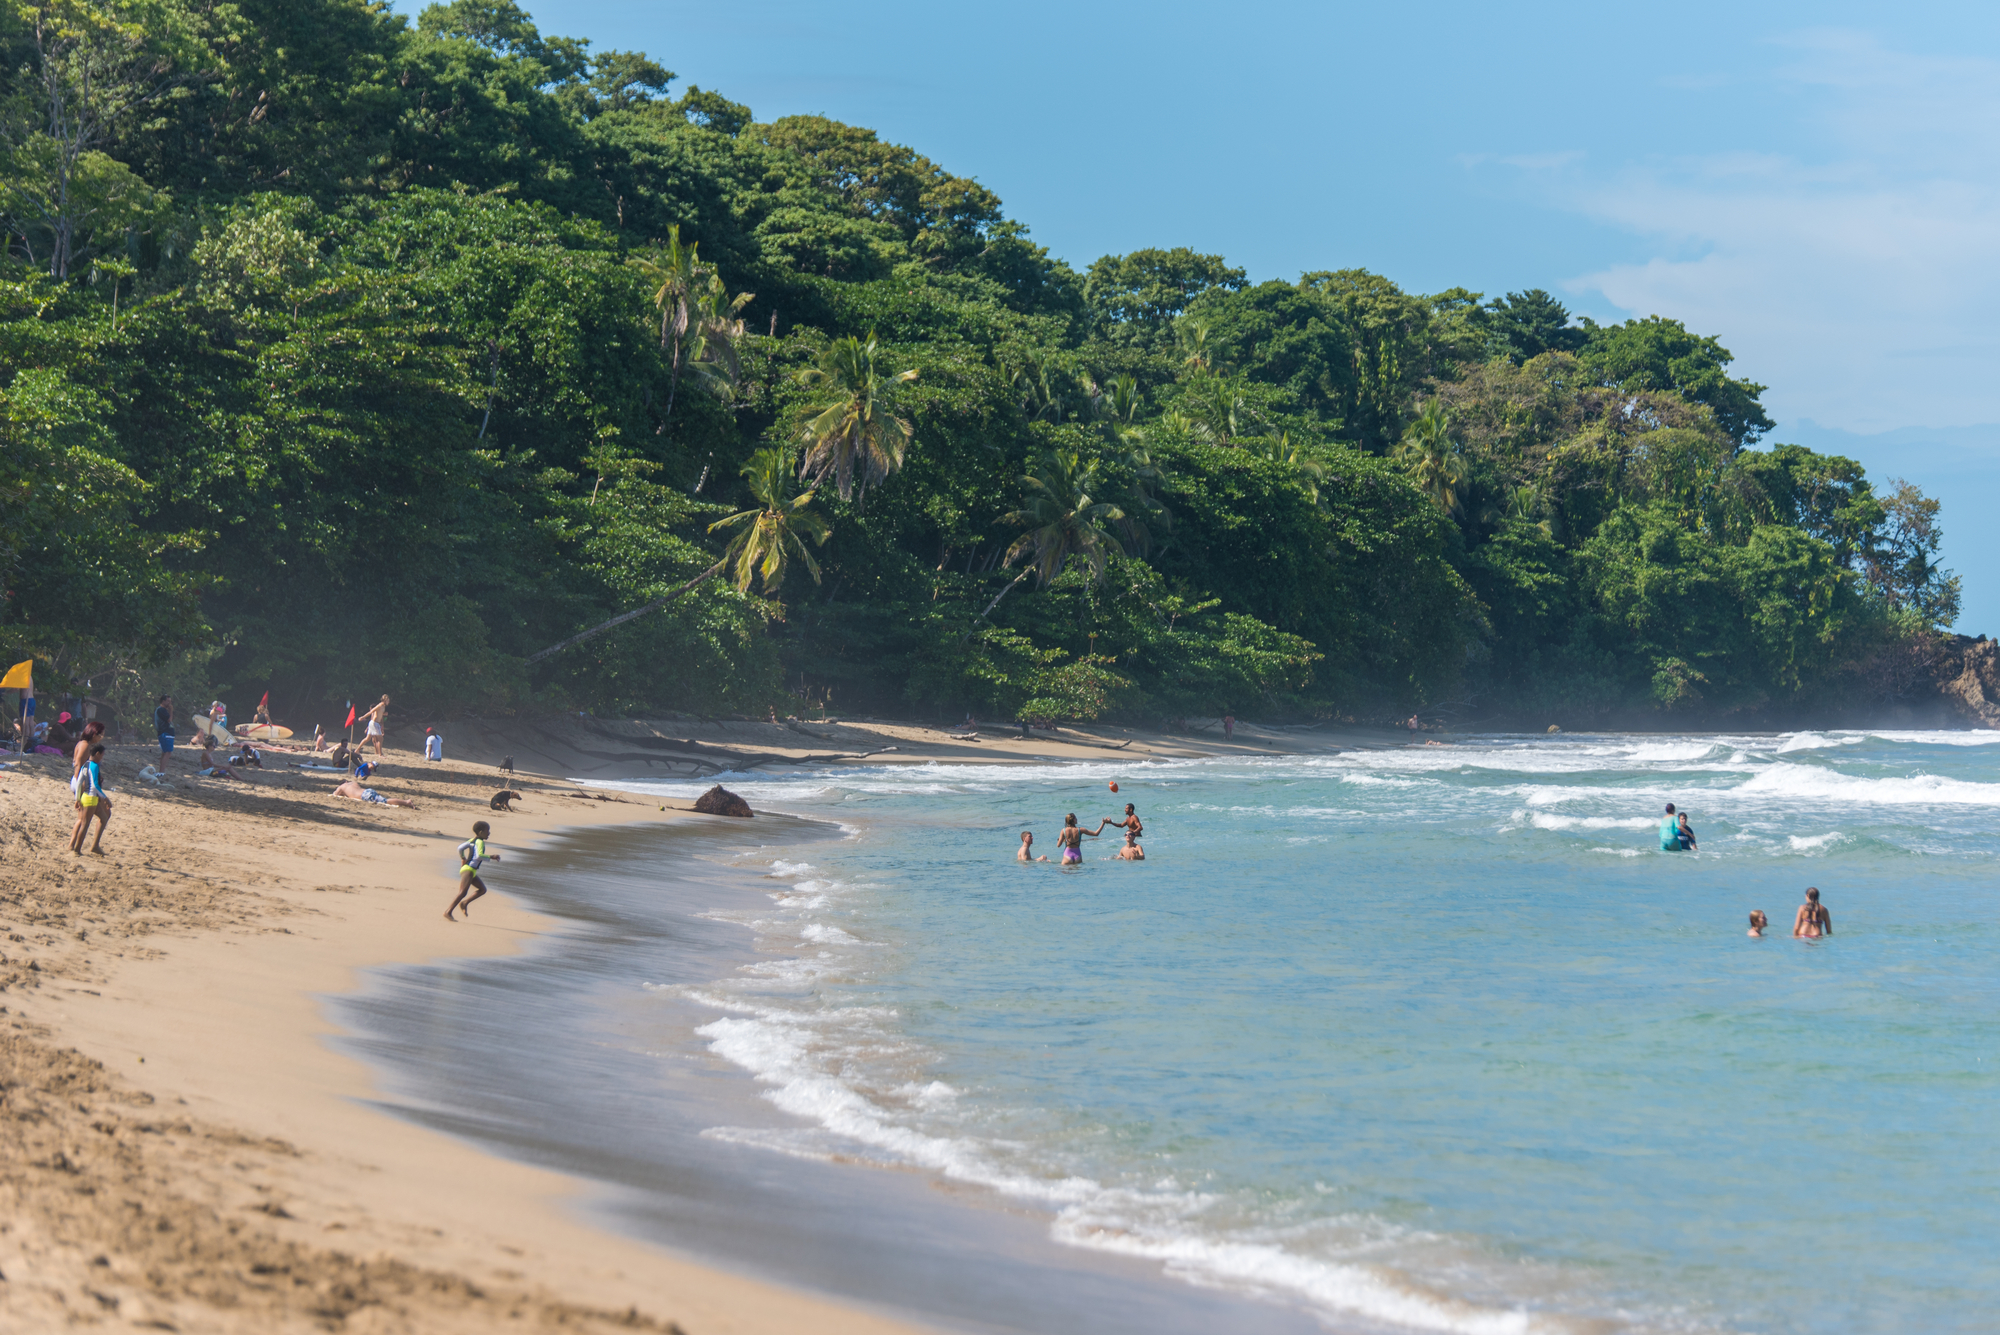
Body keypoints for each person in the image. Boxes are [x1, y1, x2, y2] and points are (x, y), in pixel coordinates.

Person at [446, 821, 500, 919]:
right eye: (487, 831)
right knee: (462, 892)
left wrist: (463, 858)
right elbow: (479, 855)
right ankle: (448, 912)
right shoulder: (480, 842)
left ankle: (464, 903)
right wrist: (492, 856)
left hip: (469, 870)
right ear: (480, 832)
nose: (489, 833)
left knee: (482, 890)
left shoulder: (472, 840)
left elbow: (460, 848)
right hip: (469, 870)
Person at [70, 743, 110, 854]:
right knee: (85, 824)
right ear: (97, 754)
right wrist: (106, 798)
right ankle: (77, 850)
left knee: (104, 818)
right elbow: (95, 786)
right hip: (90, 798)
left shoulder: (85, 765)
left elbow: (78, 783)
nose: (102, 758)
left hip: (86, 797)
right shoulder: (94, 766)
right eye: (102, 755)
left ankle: (94, 846)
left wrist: (77, 799)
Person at [334, 778, 416, 808]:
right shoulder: (352, 783)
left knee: (385, 801)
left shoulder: (341, 787)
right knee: (383, 799)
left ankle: (406, 802)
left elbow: (334, 795)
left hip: (364, 795)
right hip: (368, 791)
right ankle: (405, 802)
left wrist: (341, 793)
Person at [154, 695, 175, 763]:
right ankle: (161, 771)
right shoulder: (161, 710)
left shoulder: (164, 710)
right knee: (168, 753)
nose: (169, 703)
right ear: (163, 701)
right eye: (168, 701)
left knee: (165, 752)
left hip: (167, 733)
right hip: (165, 733)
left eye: (170, 701)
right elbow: (169, 720)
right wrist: (171, 710)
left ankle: (161, 771)